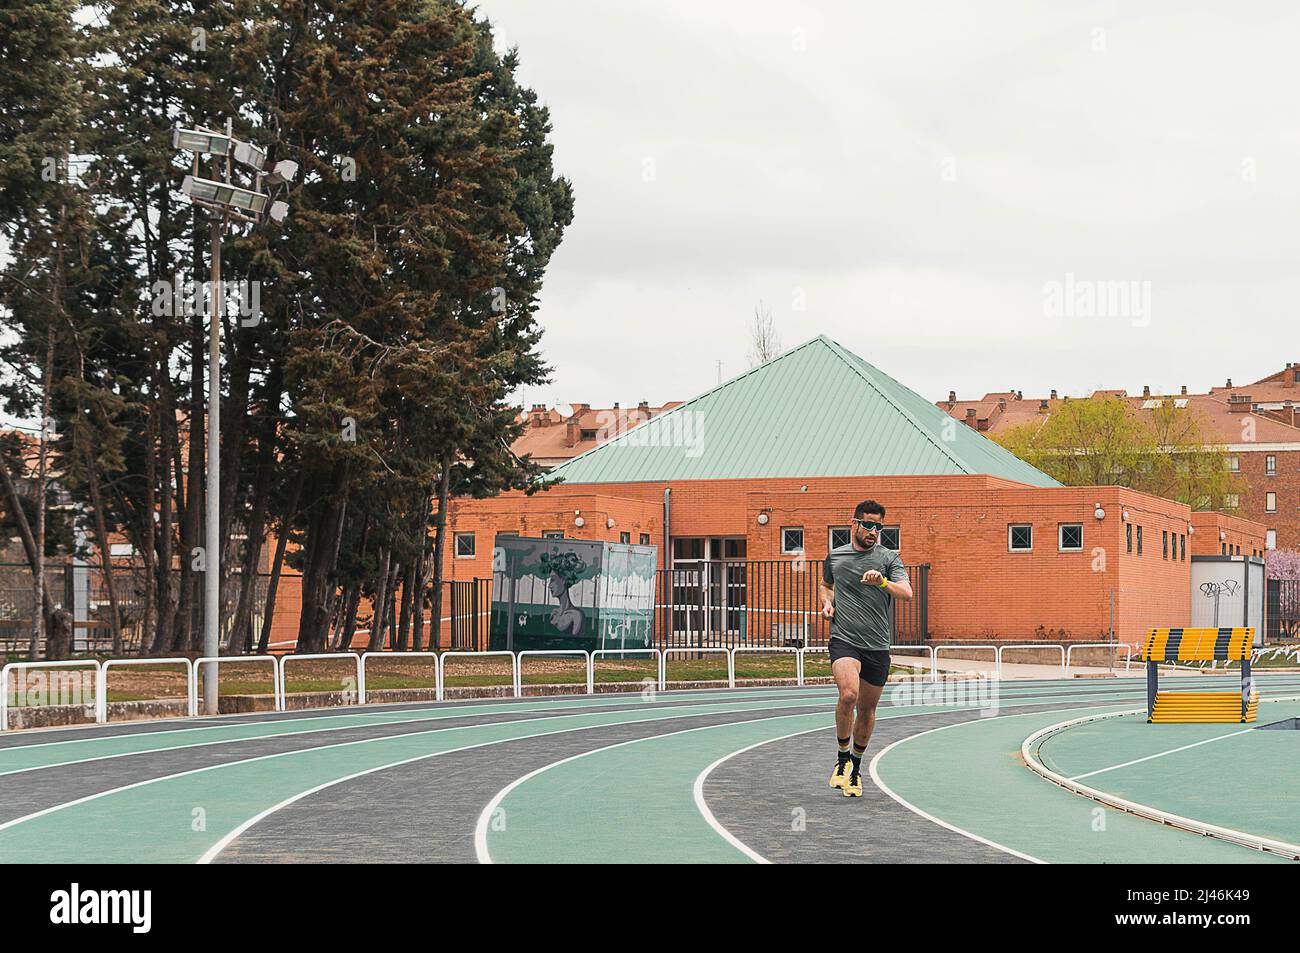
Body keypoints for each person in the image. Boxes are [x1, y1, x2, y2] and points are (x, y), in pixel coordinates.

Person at [819, 500, 912, 797]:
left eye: (879, 527)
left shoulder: (888, 558)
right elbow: (826, 585)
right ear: (855, 523)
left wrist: (882, 581)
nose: (873, 531)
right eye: (868, 525)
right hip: (844, 638)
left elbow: (907, 593)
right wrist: (827, 604)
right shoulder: (835, 556)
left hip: (877, 645)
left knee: (867, 710)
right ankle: (842, 759)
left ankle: (856, 770)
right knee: (848, 694)